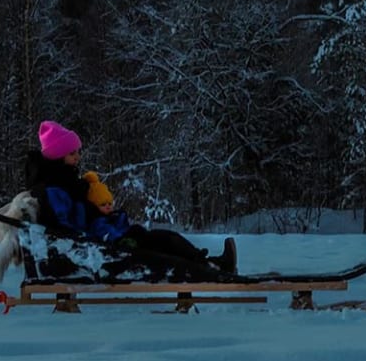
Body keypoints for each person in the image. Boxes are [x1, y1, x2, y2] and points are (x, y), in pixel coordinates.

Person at [24, 120, 238, 280]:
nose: (78, 157)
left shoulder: (68, 183)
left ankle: (211, 264)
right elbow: (66, 228)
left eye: (77, 152)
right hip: (99, 246)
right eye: (72, 154)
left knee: (163, 238)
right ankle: (210, 268)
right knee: (159, 245)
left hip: (105, 236)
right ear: (58, 156)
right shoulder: (55, 189)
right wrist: (104, 236)